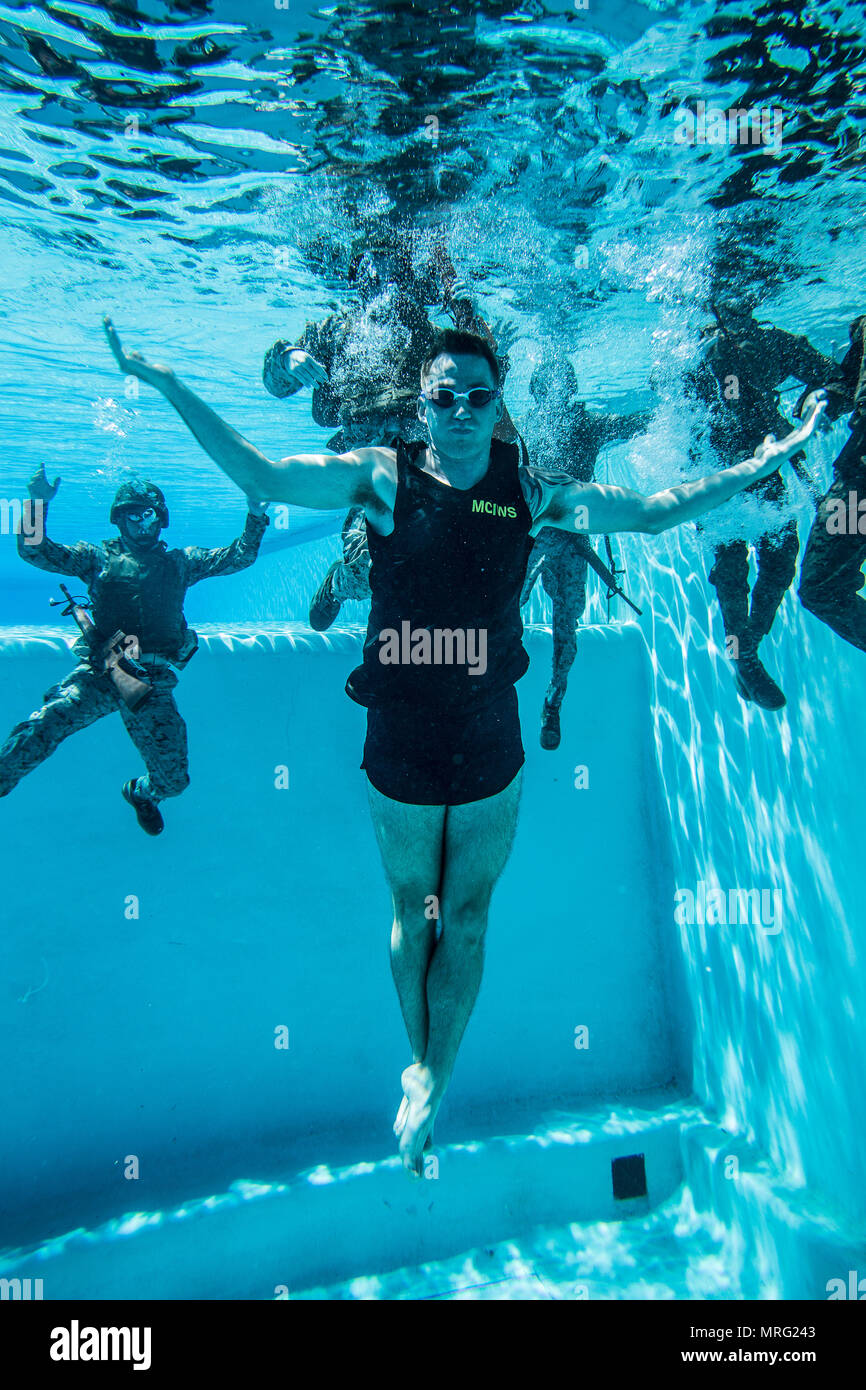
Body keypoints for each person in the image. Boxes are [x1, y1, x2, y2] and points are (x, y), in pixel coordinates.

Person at [102, 316, 826, 1172]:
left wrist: (774, 453)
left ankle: (432, 1081)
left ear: (497, 405)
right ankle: (422, 1067)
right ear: (422, 402)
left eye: (478, 396)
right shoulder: (381, 479)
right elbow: (261, 473)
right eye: (445, 395)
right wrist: (166, 381)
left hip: (489, 735)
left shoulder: (531, 492)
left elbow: (655, 512)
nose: (461, 410)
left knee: (470, 915)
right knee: (415, 909)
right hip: (400, 734)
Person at [262, 231, 516, 629]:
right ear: (356, 277)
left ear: (409, 274)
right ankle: (338, 584)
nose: (382, 279)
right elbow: (276, 385)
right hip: (366, 466)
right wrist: (289, 358)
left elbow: (488, 406)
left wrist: (495, 358)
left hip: (427, 463)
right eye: (369, 268)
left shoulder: (433, 340)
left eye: (392, 267)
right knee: (369, 568)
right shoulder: (336, 331)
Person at [0, 469, 268, 835]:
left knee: (174, 783)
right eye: (132, 515)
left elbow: (240, 556)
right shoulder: (96, 557)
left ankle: (141, 793)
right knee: (43, 727)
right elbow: (34, 551)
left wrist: (255, 512)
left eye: (148, 515)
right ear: (119, 518)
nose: (141, 523)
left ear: (161, 519)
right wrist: (36, 504)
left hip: (152, 683)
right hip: (101, 674)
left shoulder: (181, 562)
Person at [684, 297, 849, 709]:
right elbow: (730, 400)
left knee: (781, 560)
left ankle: (747, 650)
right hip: (715, 471)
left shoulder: (773, 342)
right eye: (727, 297)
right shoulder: (700, 349)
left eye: (744, 295)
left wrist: (812, 399)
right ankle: (742, 651)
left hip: (763, 469)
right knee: (731, 571)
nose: (736, 305)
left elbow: (833, 378)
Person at [519, 355, 652, 748]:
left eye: (557, 387)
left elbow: (630, 424)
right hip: (536, 540)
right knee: (504, 611)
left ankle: (553, 703)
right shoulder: (528, 428)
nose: (552, 397)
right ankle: (484, 686)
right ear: (538, 393)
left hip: (573, 546)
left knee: (566, 628)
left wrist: (666, 404)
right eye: (545, 389)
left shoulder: (587, 426)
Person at [799, 315, 866, 650]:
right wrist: (823, 396)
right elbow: (850, 380)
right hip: (861, 480)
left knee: (821, 590)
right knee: (820, 589)